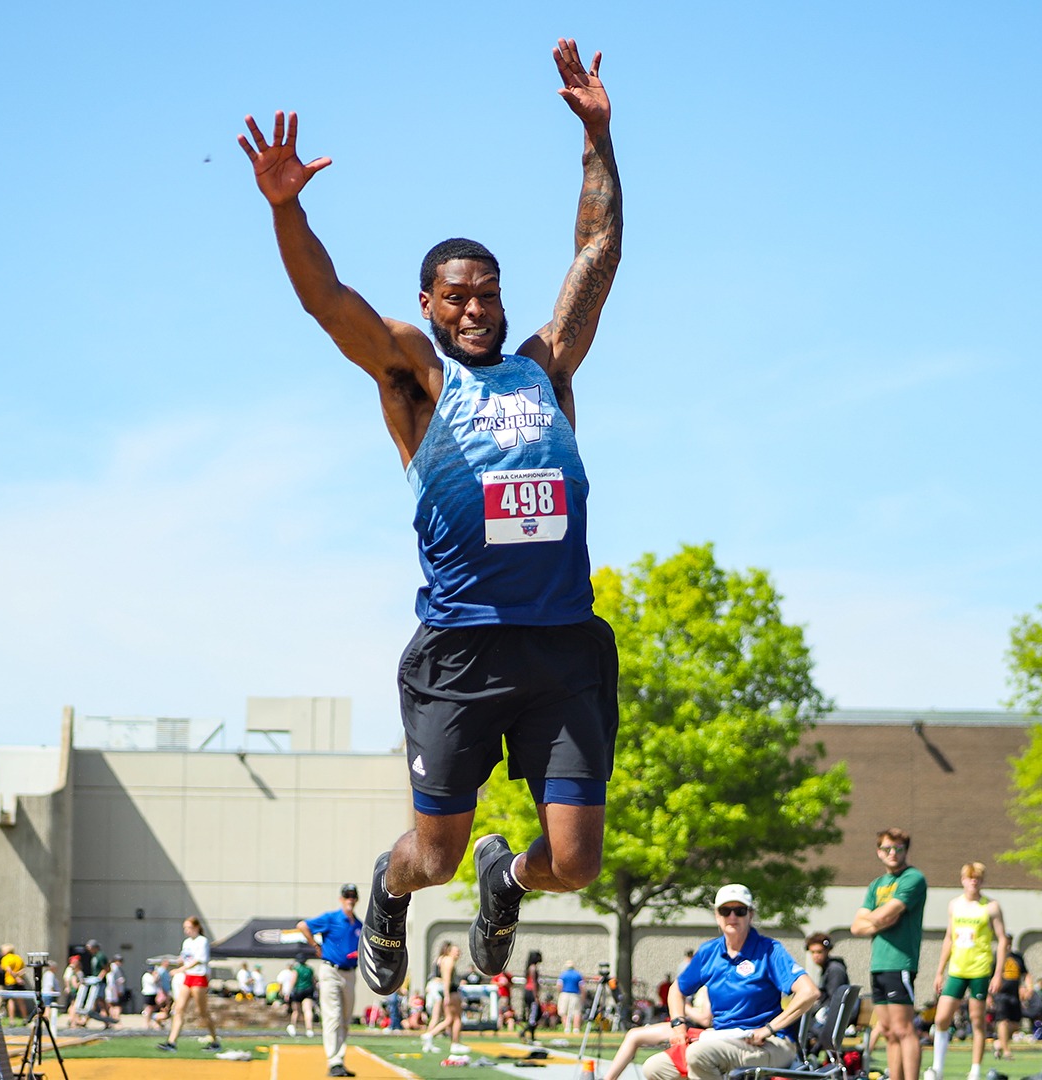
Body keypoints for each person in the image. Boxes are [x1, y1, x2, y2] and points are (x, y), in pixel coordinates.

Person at [236, 36, 625, 997]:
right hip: (462, 649)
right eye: (458, 299)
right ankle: (388, 887)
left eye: (488, 296)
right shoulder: (414, 378)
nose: (477, 312)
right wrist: (290, 209)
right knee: (434, 854)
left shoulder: (548, 370)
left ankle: (512, 875)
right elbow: (328, 302)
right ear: (429, 304)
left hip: (564, 645)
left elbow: (598, 250)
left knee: (575, 863)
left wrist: (597, 138)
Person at [642, 884, 820, 1080]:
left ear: (750, 915)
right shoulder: (709, 952)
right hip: (722, 1039)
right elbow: (676, 990)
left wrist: (769, 1029)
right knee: (654, 1068)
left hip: (770, 1043)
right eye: (725, 911)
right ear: (717, 916)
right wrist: (678, 1025)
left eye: (740, 911)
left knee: (699, 1054)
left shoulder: (770, 950)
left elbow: (809, 992)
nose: (732, 917)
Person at [852, 829, 927, 1080]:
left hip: (900, 962)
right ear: (878, 852)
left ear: (906, 851)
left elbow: (884, 914)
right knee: (888, 1031)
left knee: (904, 1029)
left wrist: (874, 919)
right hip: (879, 964)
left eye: (898, 849)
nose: (892, 854)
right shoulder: (877, 884)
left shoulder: (913, 878)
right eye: (887, 849)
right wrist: (881, 920)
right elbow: (856, 926)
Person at [929, 862, 1010, 1080]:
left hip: (980, 969)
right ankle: (938, 1067)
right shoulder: (954, 905)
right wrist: (939, 971)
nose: (973, 881)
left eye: (978, 878)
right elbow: (949, 937)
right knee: (942, 1018)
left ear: (982, 881)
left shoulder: (990, 906)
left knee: (977, 1020)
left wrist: (998, 972)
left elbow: (1002, 940)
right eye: (969, 877)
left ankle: (975, 1069)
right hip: (957, 968)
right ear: (963, 879)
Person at [298, 882, 364, 1077]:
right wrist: (315, 945)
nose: (350, 899)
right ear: (341, 899)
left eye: (353, 896)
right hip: (330, 971)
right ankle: (333, 1060)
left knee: (345, 1018)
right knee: (333, 1016)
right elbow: (303, 925)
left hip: (350, 973)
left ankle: (339, 1061)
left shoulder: (359, 925)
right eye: (347, 896)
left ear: (356, 899)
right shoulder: (331, 918)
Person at [601, 989, 713, 1080]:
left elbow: (705, 1020)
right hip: (684, 1026)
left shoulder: (711, 982)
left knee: (655, 1067)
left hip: (700, 1031)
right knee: (633, 1035)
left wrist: (683, 1005)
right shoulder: (693, 978)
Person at [158, 918, 220, 1051]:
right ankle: (171, 1042)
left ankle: (215, 1042)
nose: (187, 930)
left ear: (197, 927)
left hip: (199, 978)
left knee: (202, 1012)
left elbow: (198, 960)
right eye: (185, 928)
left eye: (189, 927)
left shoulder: (202, 941)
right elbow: (185, 958)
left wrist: (180, 970)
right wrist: (173, 962)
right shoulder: (187, 942)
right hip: (188, 978)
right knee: (179, 1009)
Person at [991, 935, 1031, 1060]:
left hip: (1014, 995)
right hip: (1000, 994)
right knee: (1003, 1021)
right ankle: (1007, 1052)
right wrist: (988, 996)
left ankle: (999, 1044)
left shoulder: (1017, 957)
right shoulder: (995, 957)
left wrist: (1029, 988)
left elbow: (1026, 974)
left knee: (1015, 1024)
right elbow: (988, 976)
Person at [422, 942, 465, 1056]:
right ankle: (455, 1043)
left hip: (448, 991)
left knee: (449, 1019)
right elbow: (446, 979)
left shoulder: (444, 960)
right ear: (449, 951)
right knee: (456, 1018)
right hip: (451, 992)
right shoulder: (448, 961)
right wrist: (446, 995)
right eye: (456, 951)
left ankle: (430, 1035)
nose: (458, 953)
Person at [290, 951, 319, 1039]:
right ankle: (309, 1029)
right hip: (308, 990)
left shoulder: (296, 969)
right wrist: (316, 991)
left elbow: (293, 980)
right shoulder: (310, 969)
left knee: (296, 1011)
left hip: (298, 990)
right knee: (308, 1010)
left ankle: (293, 1026)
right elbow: (314, 981)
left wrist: (289, 991)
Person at [0, 943, 26, 1020]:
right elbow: (24, 970)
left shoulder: (6, 958)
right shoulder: (18, 958)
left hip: (10, 982)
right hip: (19, 983)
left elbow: (8, 969)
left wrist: (15, 977)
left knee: (11, 1001)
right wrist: (19, 976)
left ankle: (11, 1020)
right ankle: (25, 1018)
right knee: (21, 1001)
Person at [561, 961, 586, 1034]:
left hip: (565, 993)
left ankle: (566, 1028)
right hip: (575, 994)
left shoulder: (563, 974)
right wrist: (583, 996)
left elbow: (559, 985)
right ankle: (576, 1028)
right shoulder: (578, 975)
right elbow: (582, 986)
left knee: (564, 1011)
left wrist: (560, 992)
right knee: (576, 1012)